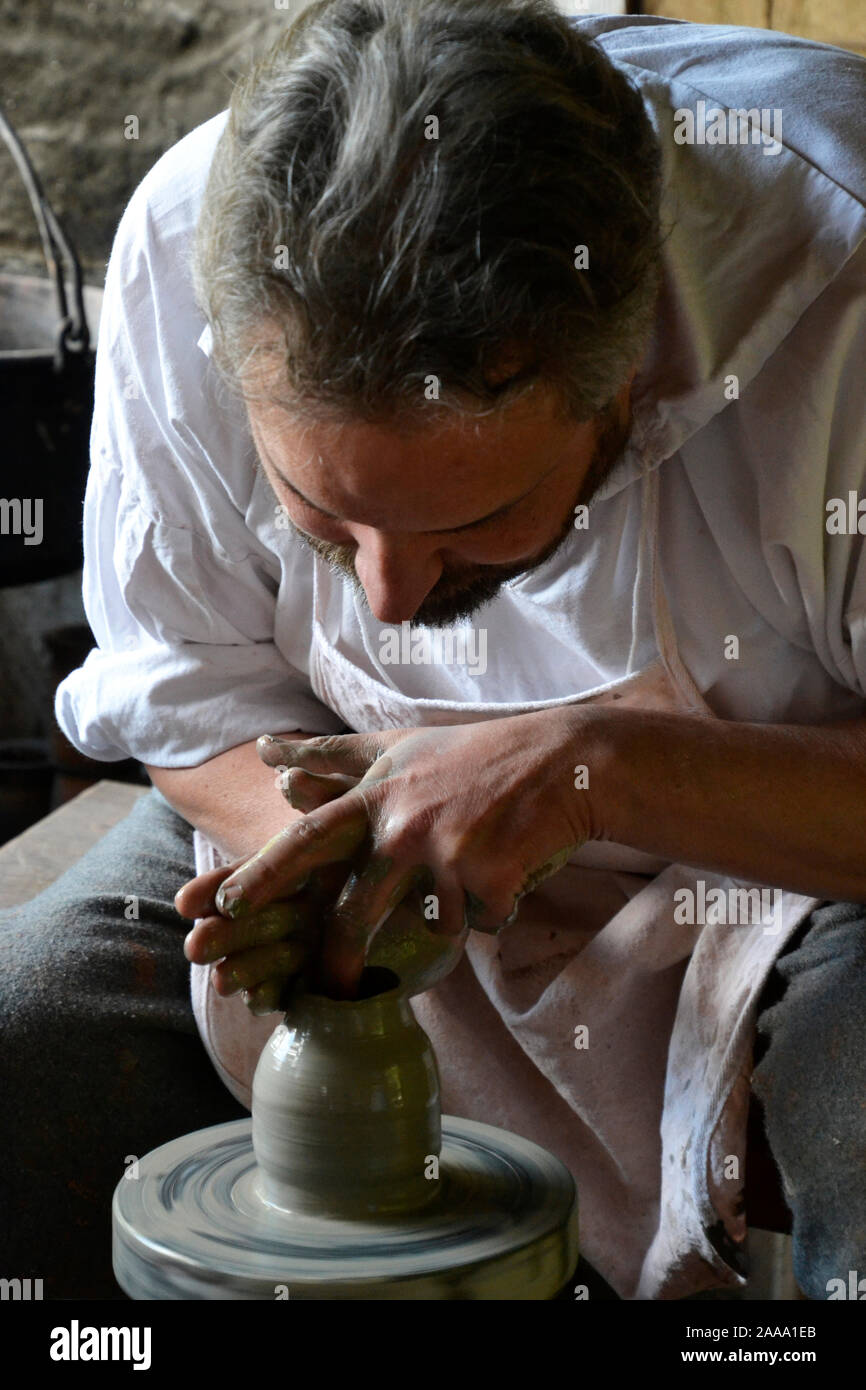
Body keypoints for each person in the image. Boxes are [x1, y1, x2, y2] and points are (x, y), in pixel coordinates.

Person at [2, 0, 865, 1301]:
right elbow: (183, 684)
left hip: (787, 853)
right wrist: (336, 859)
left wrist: (591, 771)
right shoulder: (189, 249)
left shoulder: (838, 284)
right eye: (323, 522)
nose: (391, 596)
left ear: (625, 378)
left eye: (468, 523)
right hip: (340, 782)